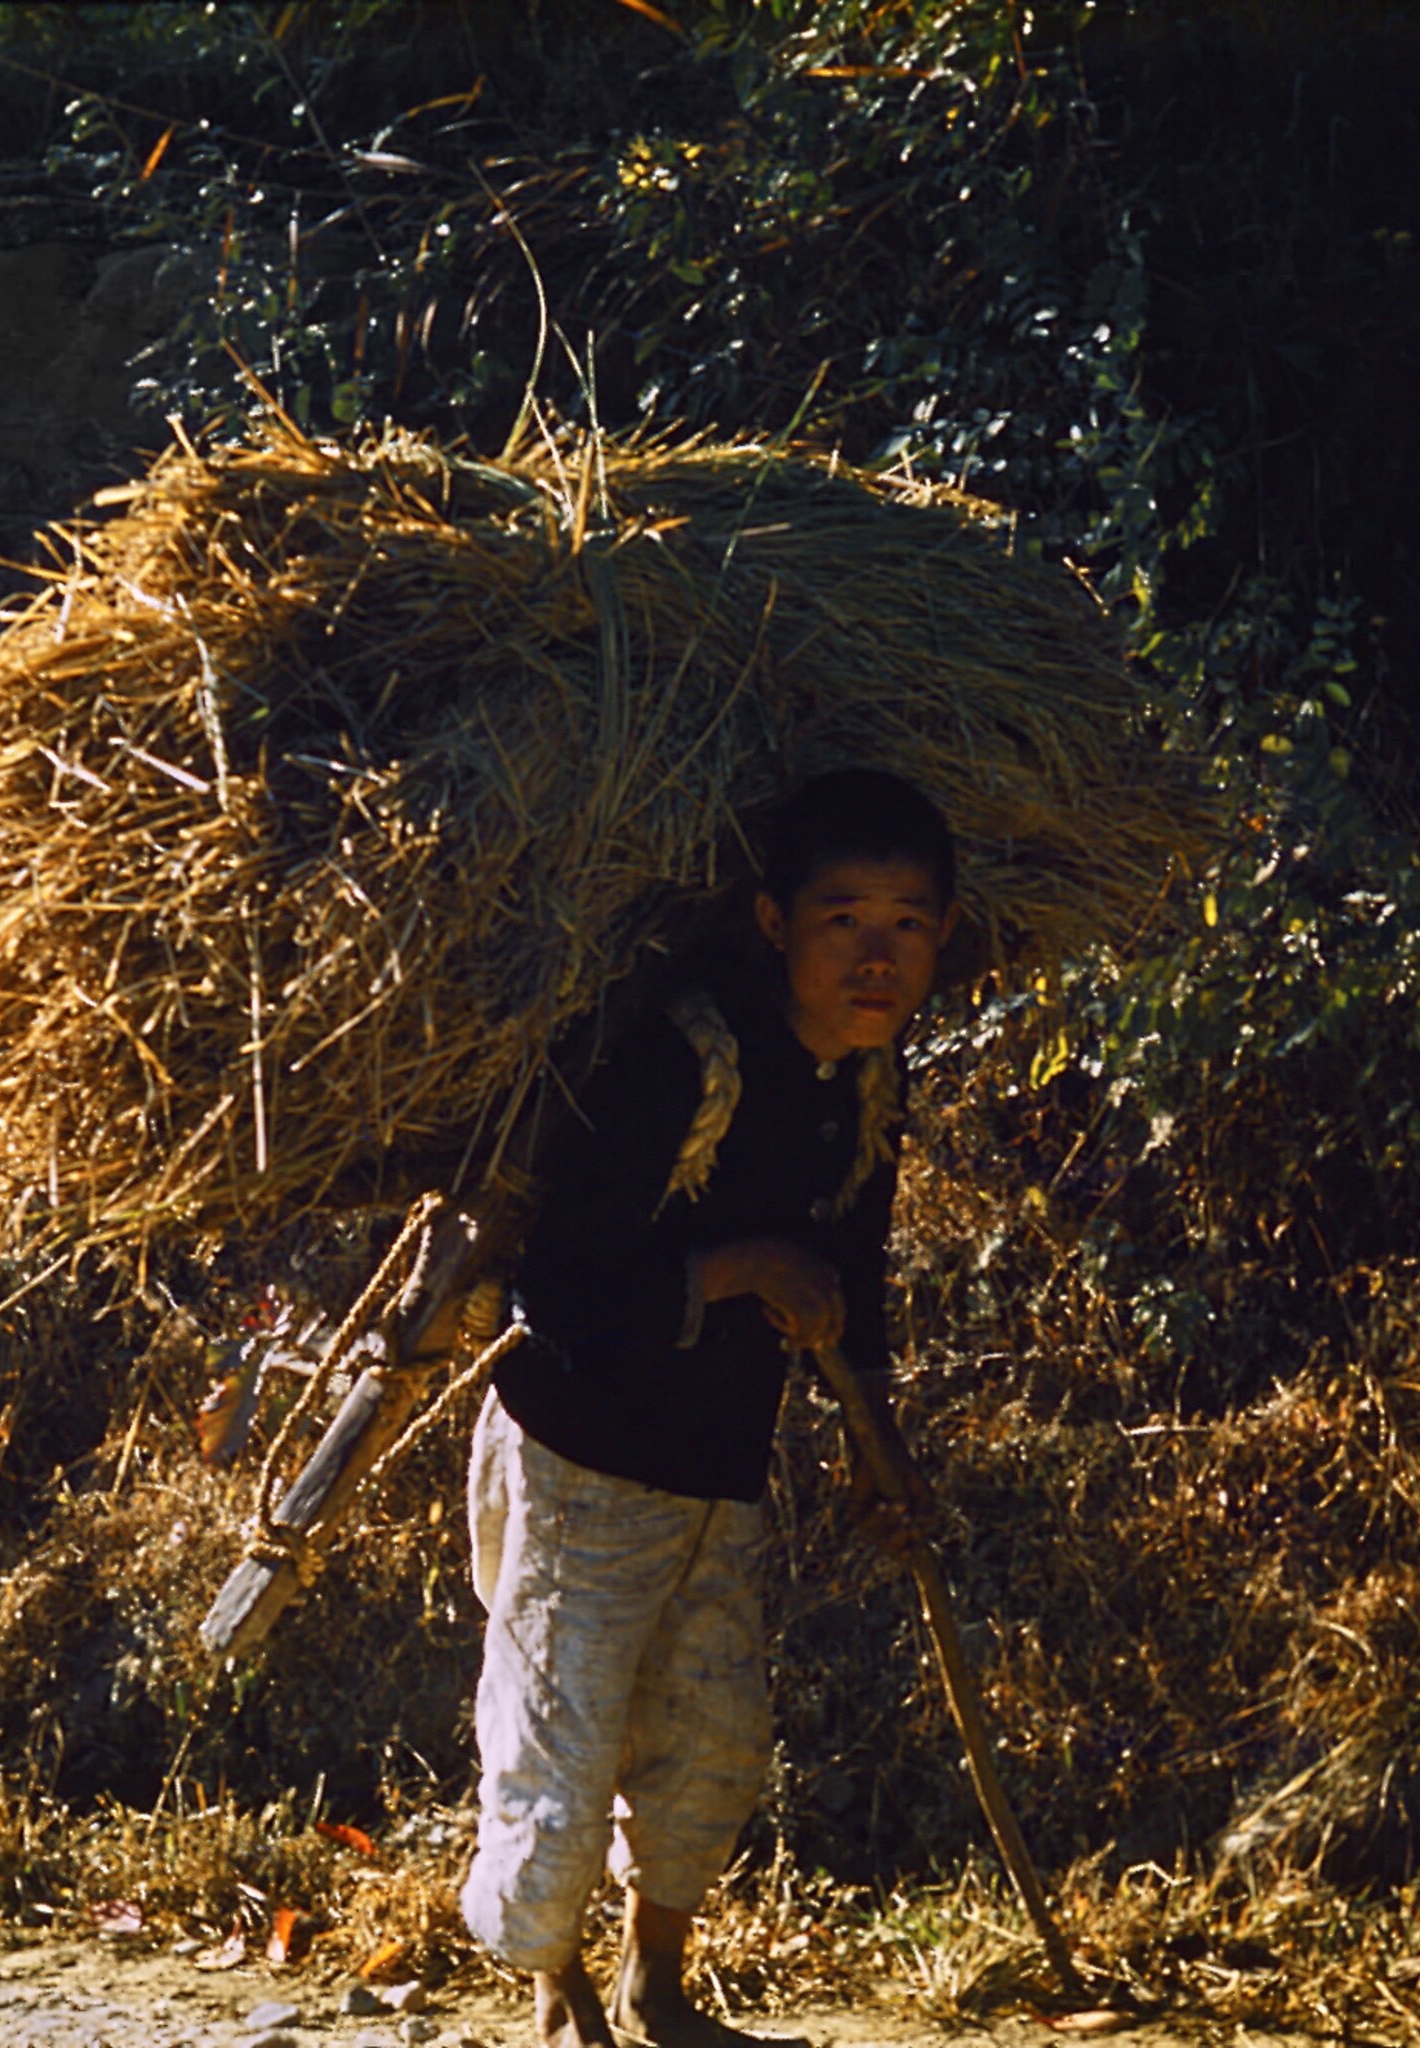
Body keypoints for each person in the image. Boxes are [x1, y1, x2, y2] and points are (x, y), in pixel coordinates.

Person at [462, 768, 958, 2048]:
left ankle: (657, 1987)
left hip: (719, 1453)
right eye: (843, 918)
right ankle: (557, 1996)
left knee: (713, 1737)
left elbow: (853, 1279)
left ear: (943, 935)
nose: (876, 955)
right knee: (563, 1743)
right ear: (773, 920)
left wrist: (880, 1448)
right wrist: (737, 1267)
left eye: (907, 922)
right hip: (580, 1451)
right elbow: (557, 1290)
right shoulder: (677, 1058)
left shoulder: (865, 1077)